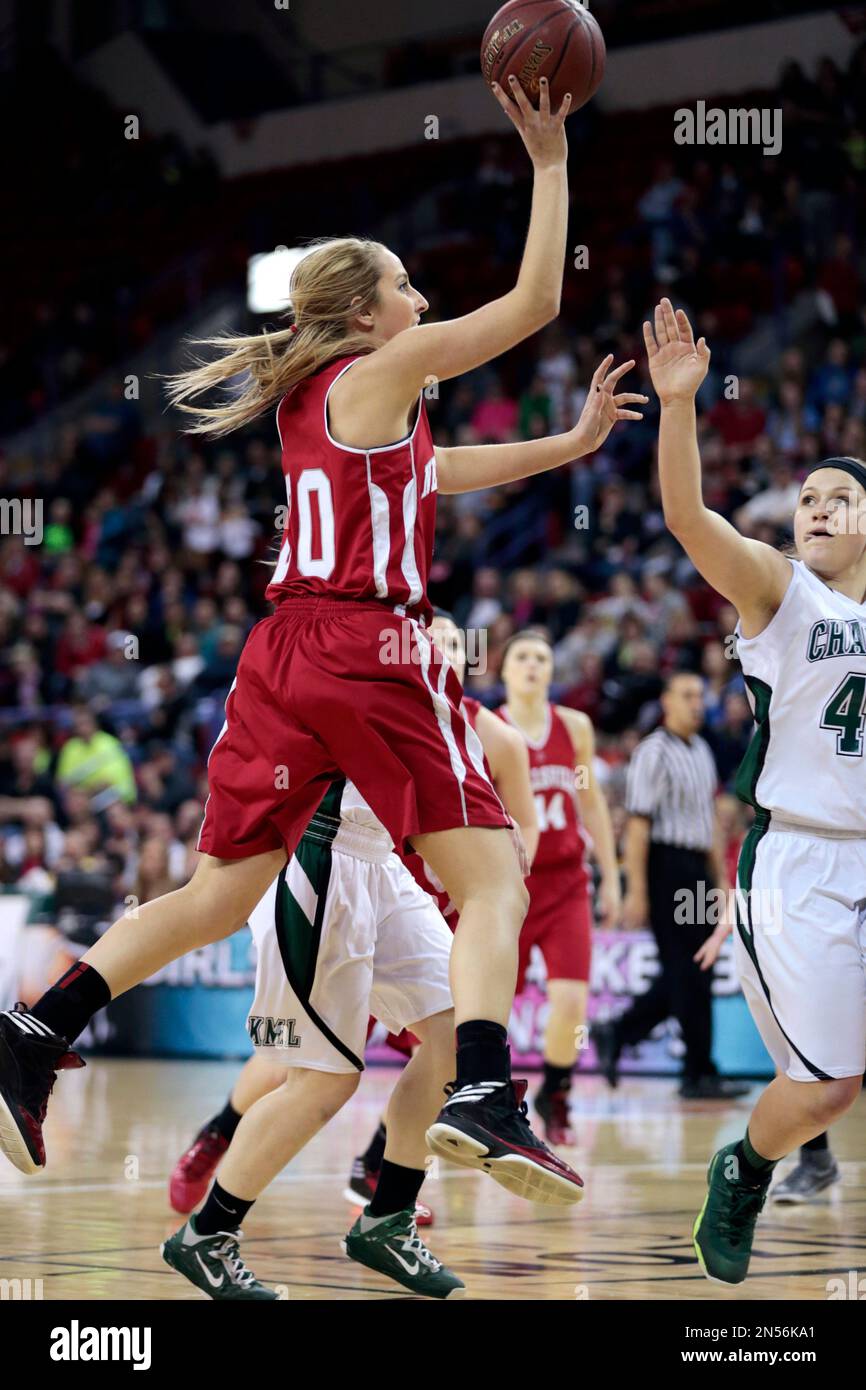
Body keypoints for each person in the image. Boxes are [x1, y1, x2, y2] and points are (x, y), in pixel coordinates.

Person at [0, 75, 646, 1203]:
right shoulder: (383, 367)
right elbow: (535, 303)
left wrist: (571, 441)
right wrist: (548, 164)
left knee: (214, 895)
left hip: (283, 652)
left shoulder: (332, 401)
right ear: (363, 313)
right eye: (403, 285)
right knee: (498, 880)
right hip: (370, 649)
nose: (419, 294)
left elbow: (442, 472)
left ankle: (30, 1032)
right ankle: (486, 1092)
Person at [168, 612, 538, 1232]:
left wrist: (491, 870)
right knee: (307, 1070)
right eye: (431, 642)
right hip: (332, 871)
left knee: (451, 1041)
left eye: (451, 647)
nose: (439, 653)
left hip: (404, 891)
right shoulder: (370, 687)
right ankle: (216, 1142)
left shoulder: (486, 735)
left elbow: (520, 828)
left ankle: (380, 1191)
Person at [644, 297, 866, 1285]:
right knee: (824, 1091)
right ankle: (741, 1169)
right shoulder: (782, 592)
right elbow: (687, 517)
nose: (813, 507)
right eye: (805, 496)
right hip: (803, 855)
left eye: (837, 498)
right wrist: (679, 406)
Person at [163, 774, 463, 1300]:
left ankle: (387, 1217)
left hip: (383, 854)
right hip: (322, 843)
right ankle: (207, 1233)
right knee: (321, 1082)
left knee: (458, 1029)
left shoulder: (460, 707)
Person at [593, 672, 749, 1101]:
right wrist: (637, 889)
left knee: (692, 970)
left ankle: (618, 1031)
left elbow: (711, 825)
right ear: (667, 702)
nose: (697, 702)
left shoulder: (701, 750)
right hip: (665, 865)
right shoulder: (652, 752)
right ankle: (698, 1072)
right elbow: (638, 827)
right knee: (689, 971)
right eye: (687, 695)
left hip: (697, 865)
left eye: (700, 694)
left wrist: (719, 878)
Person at [497, 629, 621, 1145]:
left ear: (552, 670)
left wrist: (612, 877)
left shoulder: (575, 728)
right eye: (521, 657)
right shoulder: (490, 729)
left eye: (541, 658)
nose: (532, 665)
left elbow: (589, 802)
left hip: (568, 881)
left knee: (571, 1000)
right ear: (503, 670)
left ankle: (559, 1093)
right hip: (510, 886)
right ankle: (491, 1097)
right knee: (495, 1004)